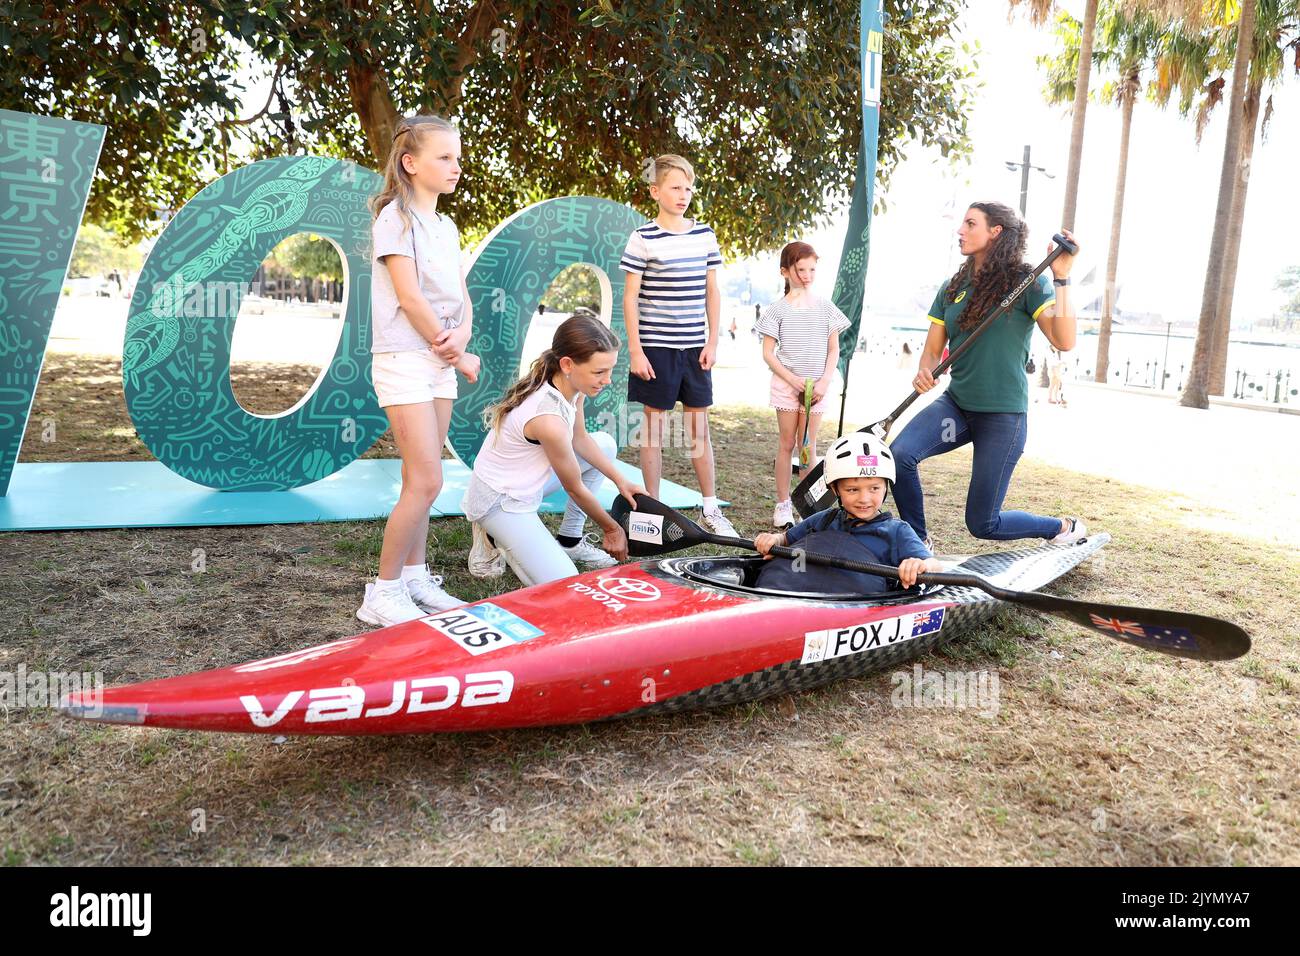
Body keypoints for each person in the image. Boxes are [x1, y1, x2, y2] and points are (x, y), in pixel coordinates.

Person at [894, 201, 1085, 548]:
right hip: (957, 406)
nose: (961, 231)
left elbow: (1065, 340)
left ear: (995, 231)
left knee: (983, 523)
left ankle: (1061, 528)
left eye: (970, 224)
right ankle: (918, 545)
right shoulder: (952, 288)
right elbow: (932, 352)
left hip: (1002, 416)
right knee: (900, 455)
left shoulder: (1027, 282)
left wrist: (1062, 276)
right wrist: (925, 372)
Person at [356, 114, 480, 627]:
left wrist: (464, 335)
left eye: (457, 156)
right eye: (444, 157)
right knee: (426, 480)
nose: (456, 166)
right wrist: (455, 350)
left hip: (437, 362)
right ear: (411, 163)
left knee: (423, 478)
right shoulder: (394, 219)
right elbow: (409, 297)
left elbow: (460, 293)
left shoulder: (446, 225)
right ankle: (381, 593)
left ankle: (415, 578)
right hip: (406, 359)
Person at [464, 315, 646, 586]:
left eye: (610, 370)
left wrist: (621, 481)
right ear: (568, 364)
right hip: (499, 500)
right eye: (599, 372)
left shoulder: (572, 385)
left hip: (525, 483)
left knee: (605, 444)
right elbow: (573, 487)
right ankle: (493, 534)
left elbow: (581, 440)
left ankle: (570, 539)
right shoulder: (548, 419)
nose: (607, 380)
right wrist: (612, 529)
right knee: (563, 585)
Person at [620, 153, 738, 537]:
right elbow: (630, 298)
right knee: (653, 430)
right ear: (655, 191)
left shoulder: (704, 234)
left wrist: (712, 341)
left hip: (695, 351)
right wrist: (636, 350)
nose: (683, 194)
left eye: (688, 188)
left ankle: (710, 509)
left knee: (698, 430)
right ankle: (651, 513)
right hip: (655, 349)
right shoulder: (643, 238)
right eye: (675, 187)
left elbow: (711, 292)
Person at [753, 434, 942, 593]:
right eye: (852, 490)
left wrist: (921, 565)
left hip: (858, 604)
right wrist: (773, 540)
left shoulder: (897, 531)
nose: (864, 498)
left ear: (886, 487)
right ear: (835, 490)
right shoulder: (825, 519)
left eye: (874, 488)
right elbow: (786, 539)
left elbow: (935, 567)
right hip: (807, 592)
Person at [754, 241, 847, 529]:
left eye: (812, 269)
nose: (807, 275)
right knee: (786, 444)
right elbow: (768, 353)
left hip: (817, 389)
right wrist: (793, 380)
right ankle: (783, 504)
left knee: (808, 446)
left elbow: (834, 349)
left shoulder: (826, 308)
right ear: (785, 271)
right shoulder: (776, 310)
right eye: (800, 269)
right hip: (786, 386)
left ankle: (808, 507)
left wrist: (823, 382)